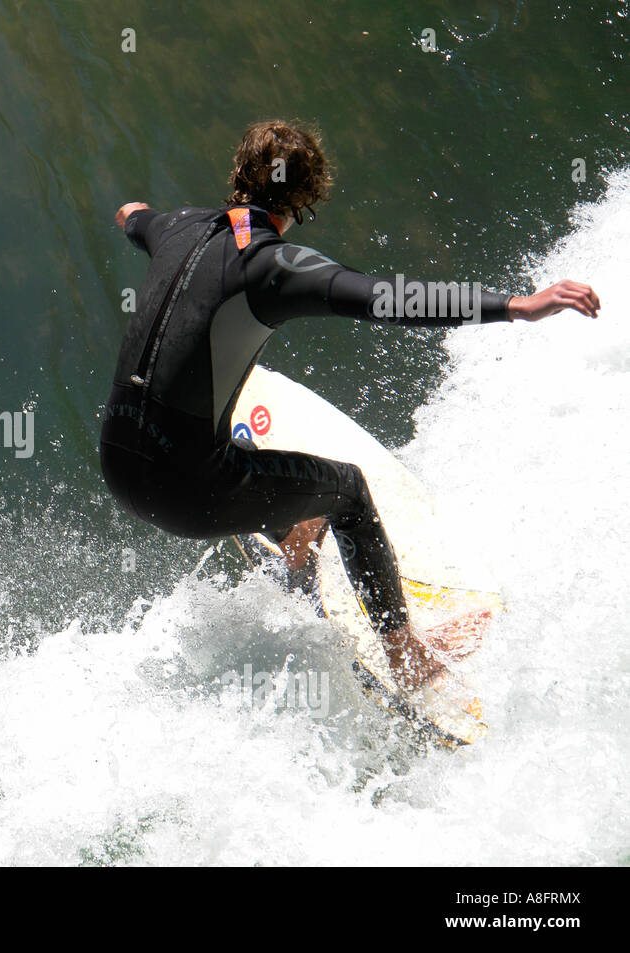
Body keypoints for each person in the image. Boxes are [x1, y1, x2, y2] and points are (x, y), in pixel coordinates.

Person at [102, 120, 600, 690]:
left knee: (247, 441)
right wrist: (516, 305)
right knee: (350, 491)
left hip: (119, 463)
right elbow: (391, 298)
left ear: (238, 174)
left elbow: (129, 213)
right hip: (187, 494)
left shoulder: (173, 227)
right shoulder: (274, 268)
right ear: (306, 199)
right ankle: (406, 657)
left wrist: (134, 217)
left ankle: (295, 548)